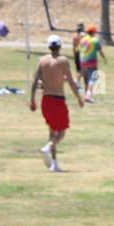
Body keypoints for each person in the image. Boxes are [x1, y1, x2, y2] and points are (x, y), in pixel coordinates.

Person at [27, 34, 84, 172]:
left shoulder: (42, 60)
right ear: (60, 46)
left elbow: (35, 81)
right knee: (62, 132)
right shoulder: (63, 60)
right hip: (58, 99)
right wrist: (79, 98)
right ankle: (47, 148)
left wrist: (32, 100)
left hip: (46, 100)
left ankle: (54, 164)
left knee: (52, 132)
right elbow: (70, 82)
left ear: (48, 46)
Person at [78, 25, 105, 102]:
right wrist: (104, 58)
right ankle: (88, 95)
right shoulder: (95, 40)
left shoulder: (82, 40)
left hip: (83, 62)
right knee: (92, 79)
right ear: (94, 32)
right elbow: (100, 50)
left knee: (86, 79)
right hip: (92, 62)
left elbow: (80, 50)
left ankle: (86, 95)